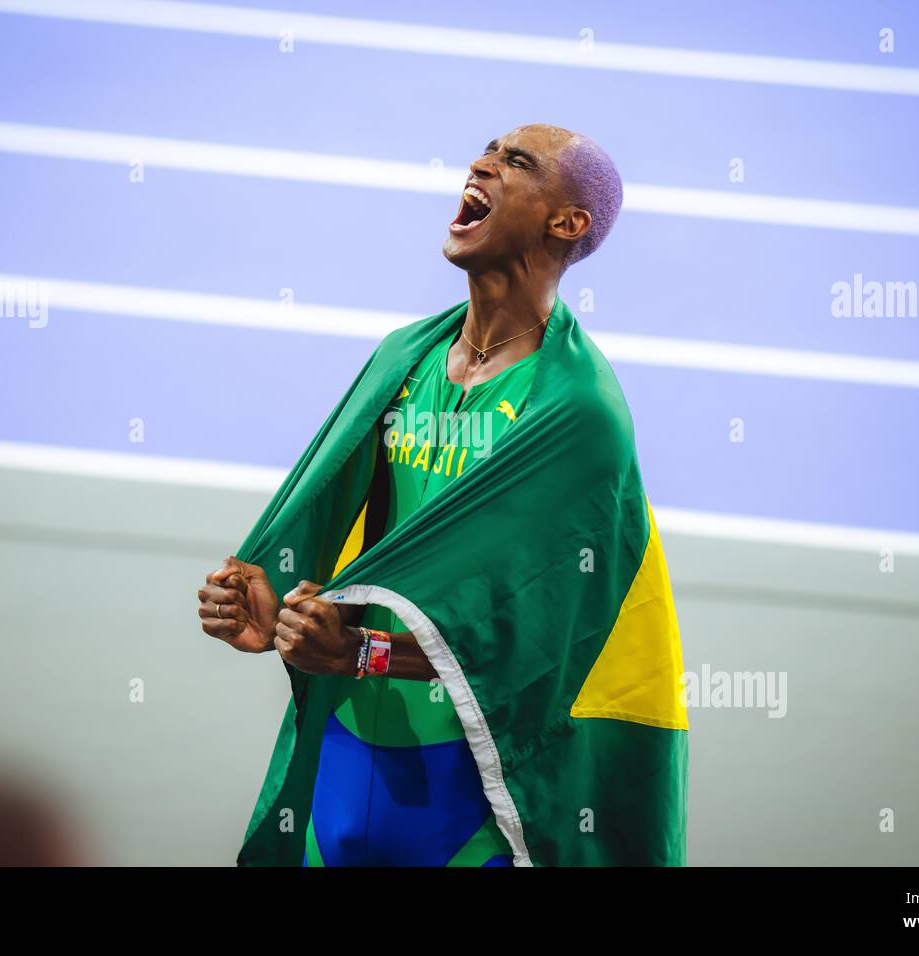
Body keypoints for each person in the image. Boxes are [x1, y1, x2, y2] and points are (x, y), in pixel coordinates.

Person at [199, 126, 687, 867]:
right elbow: (344, 522)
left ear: (567, 223)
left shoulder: (579, 409)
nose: (480, 165)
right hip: (349, 754)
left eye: (515, 162)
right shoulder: (405, 357)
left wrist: (363, 652)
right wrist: (265, 600)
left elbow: (541, 640)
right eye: (486, 151)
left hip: (480, 783)